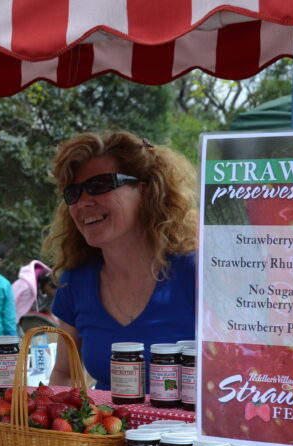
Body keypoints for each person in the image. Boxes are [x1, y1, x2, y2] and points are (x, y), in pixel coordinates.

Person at [42, 131, 197, 390]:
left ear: (145, 191)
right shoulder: (76, 280)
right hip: (106, 430)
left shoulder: (195, 272)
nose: (83, 202)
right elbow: (64, 374)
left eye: (99, 185)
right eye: (73, 193)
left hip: (185, 431)